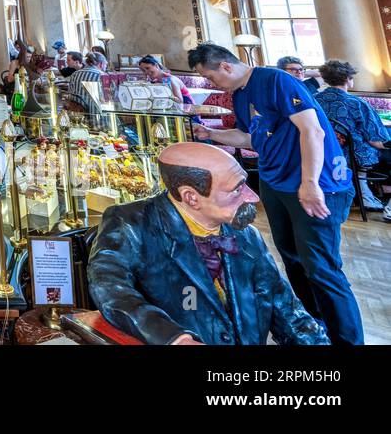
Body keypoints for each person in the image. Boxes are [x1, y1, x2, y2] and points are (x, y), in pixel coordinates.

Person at [188, 42, 361, 345]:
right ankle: (313, 329)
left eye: (211, 78)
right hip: (275, 183)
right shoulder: (240, 95)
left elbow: (312, 131)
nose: (211, 85)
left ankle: (347, 340)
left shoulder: (276, 80)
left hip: (313, 184)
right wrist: (211, 134)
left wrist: (309, 183)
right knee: (293, 261)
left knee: (322, 269)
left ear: (226, 66)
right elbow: (250, 138)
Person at [88, 142, 326, 345]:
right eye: (236, 190)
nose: (253, 197)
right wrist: (174, 338)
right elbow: (109, 288)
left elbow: (287, 309)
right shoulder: (131, 224)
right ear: (191, 197)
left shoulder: (247, 236)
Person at [313, 59, 390, 215]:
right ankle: (373, 192)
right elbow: (376, 139)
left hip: (322, 150)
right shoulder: (356, 103)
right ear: (348, 79)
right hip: (354, 153)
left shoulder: (314, 99)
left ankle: (366, 190)